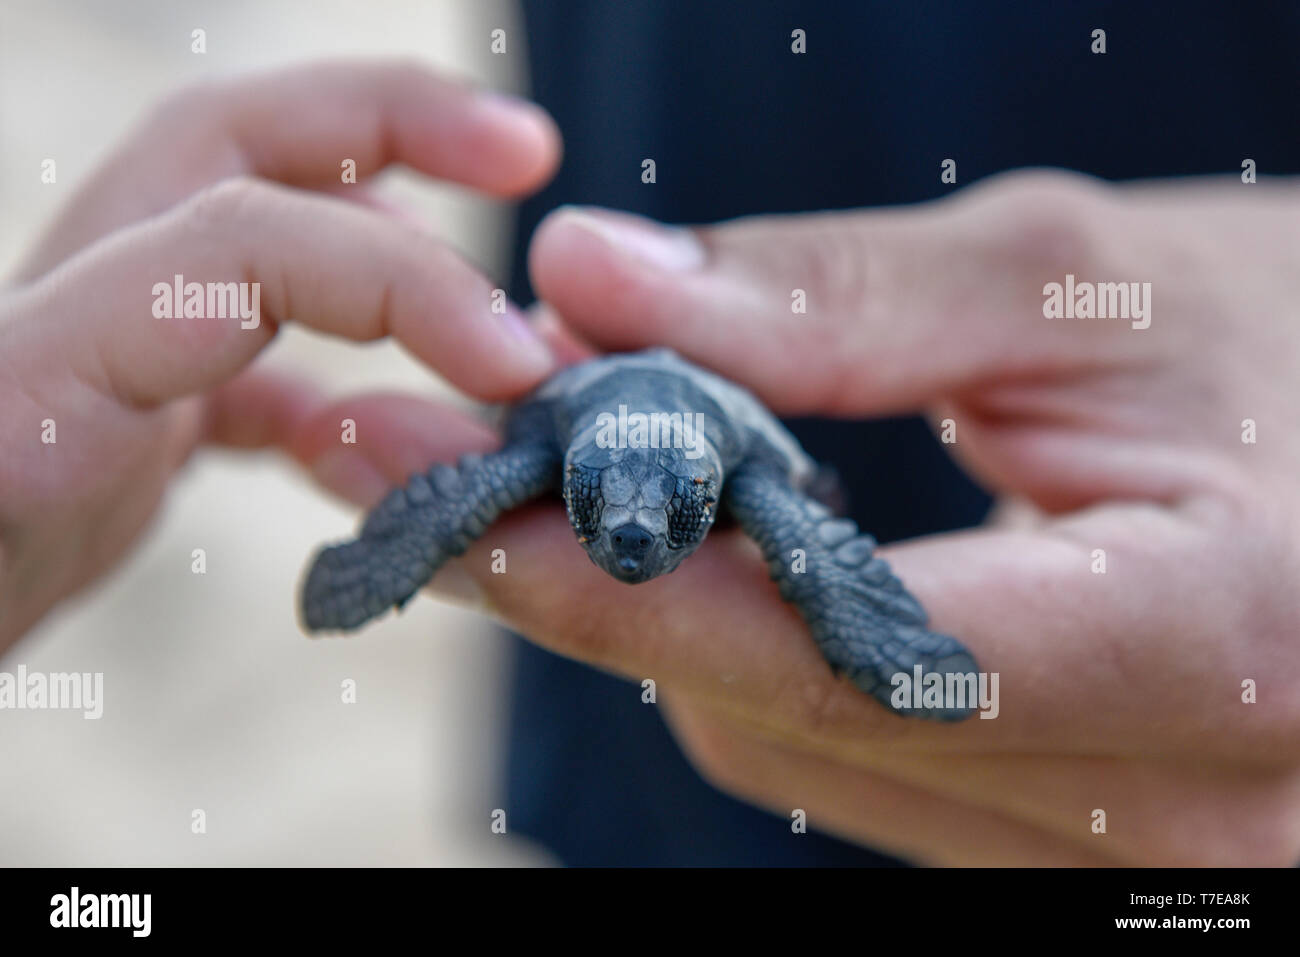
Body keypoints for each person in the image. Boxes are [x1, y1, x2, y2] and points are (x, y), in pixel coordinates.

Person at [2, 20, 1298, 868]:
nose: (629, 543)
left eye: (656, 527)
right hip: (665, 94)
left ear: (701, 498)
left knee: (858, 649)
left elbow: (791, 509)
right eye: (610, 521)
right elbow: (492, 487)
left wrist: (909, 654)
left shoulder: (743, 480)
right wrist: (380, 559)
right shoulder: (556, 453)